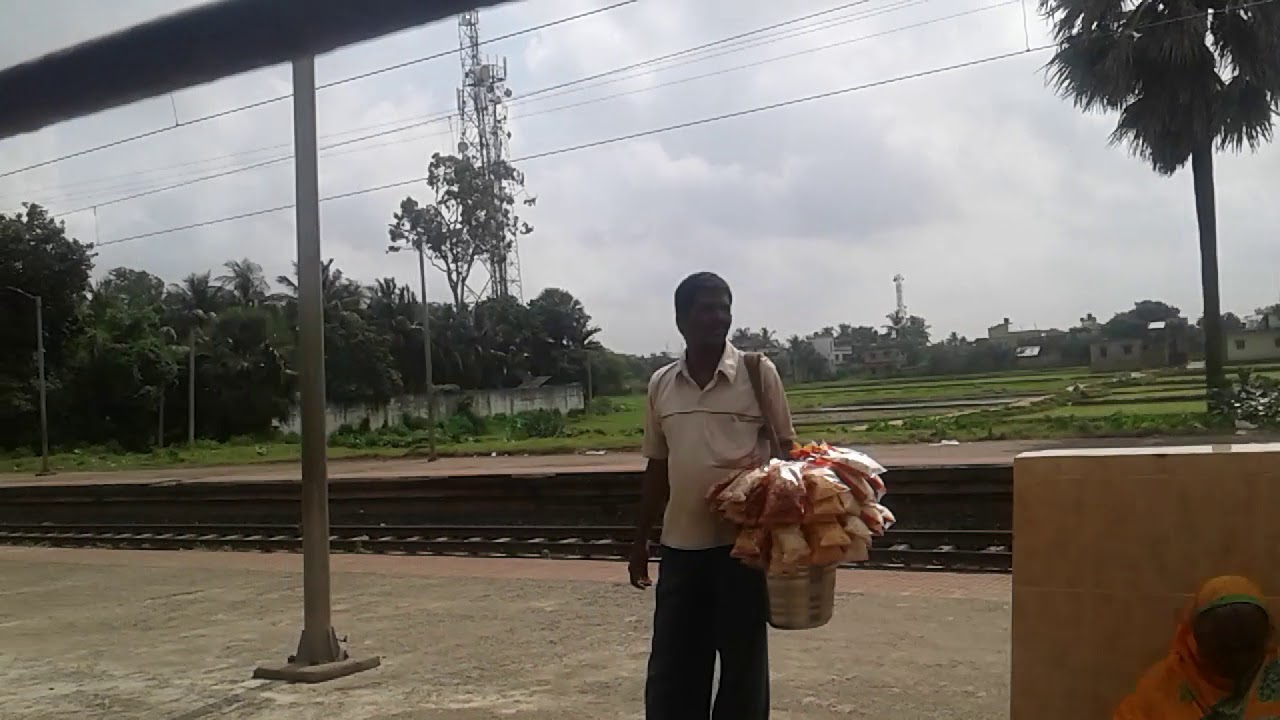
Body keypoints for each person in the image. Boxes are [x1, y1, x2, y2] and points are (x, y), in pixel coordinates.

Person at [628, 271, 796, 720]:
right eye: (706, 307)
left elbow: (789, 453)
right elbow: (658, 465)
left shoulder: (758, 373)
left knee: (743, 671)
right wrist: (641, 540)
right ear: (682, 319)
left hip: (741, 551)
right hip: (680, 551)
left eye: (725, 306)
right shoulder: (662, 384)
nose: (718, 317)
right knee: (673, 670)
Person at [1114, 575, 1280, 719]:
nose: (1236, 660)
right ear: (1193, 639)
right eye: (1224, 649)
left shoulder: (1273, 676)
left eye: (1247, 648)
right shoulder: (1163, 687)